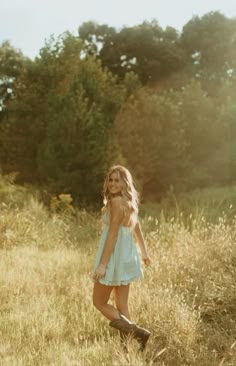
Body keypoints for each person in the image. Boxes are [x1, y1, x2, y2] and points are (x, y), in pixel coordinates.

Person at [92, 165, 151, 351]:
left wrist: (102, 265)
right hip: (127, 255)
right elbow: (136, 227)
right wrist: (144, 252)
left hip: (115, 256)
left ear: (125, 183)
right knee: (121, 305)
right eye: (111, 180)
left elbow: (113, 234)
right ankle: (125, 350)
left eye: (117, 180)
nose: (113, 184)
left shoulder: (117, 202)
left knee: (99, 302)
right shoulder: (128, 202)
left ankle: (137, 332)